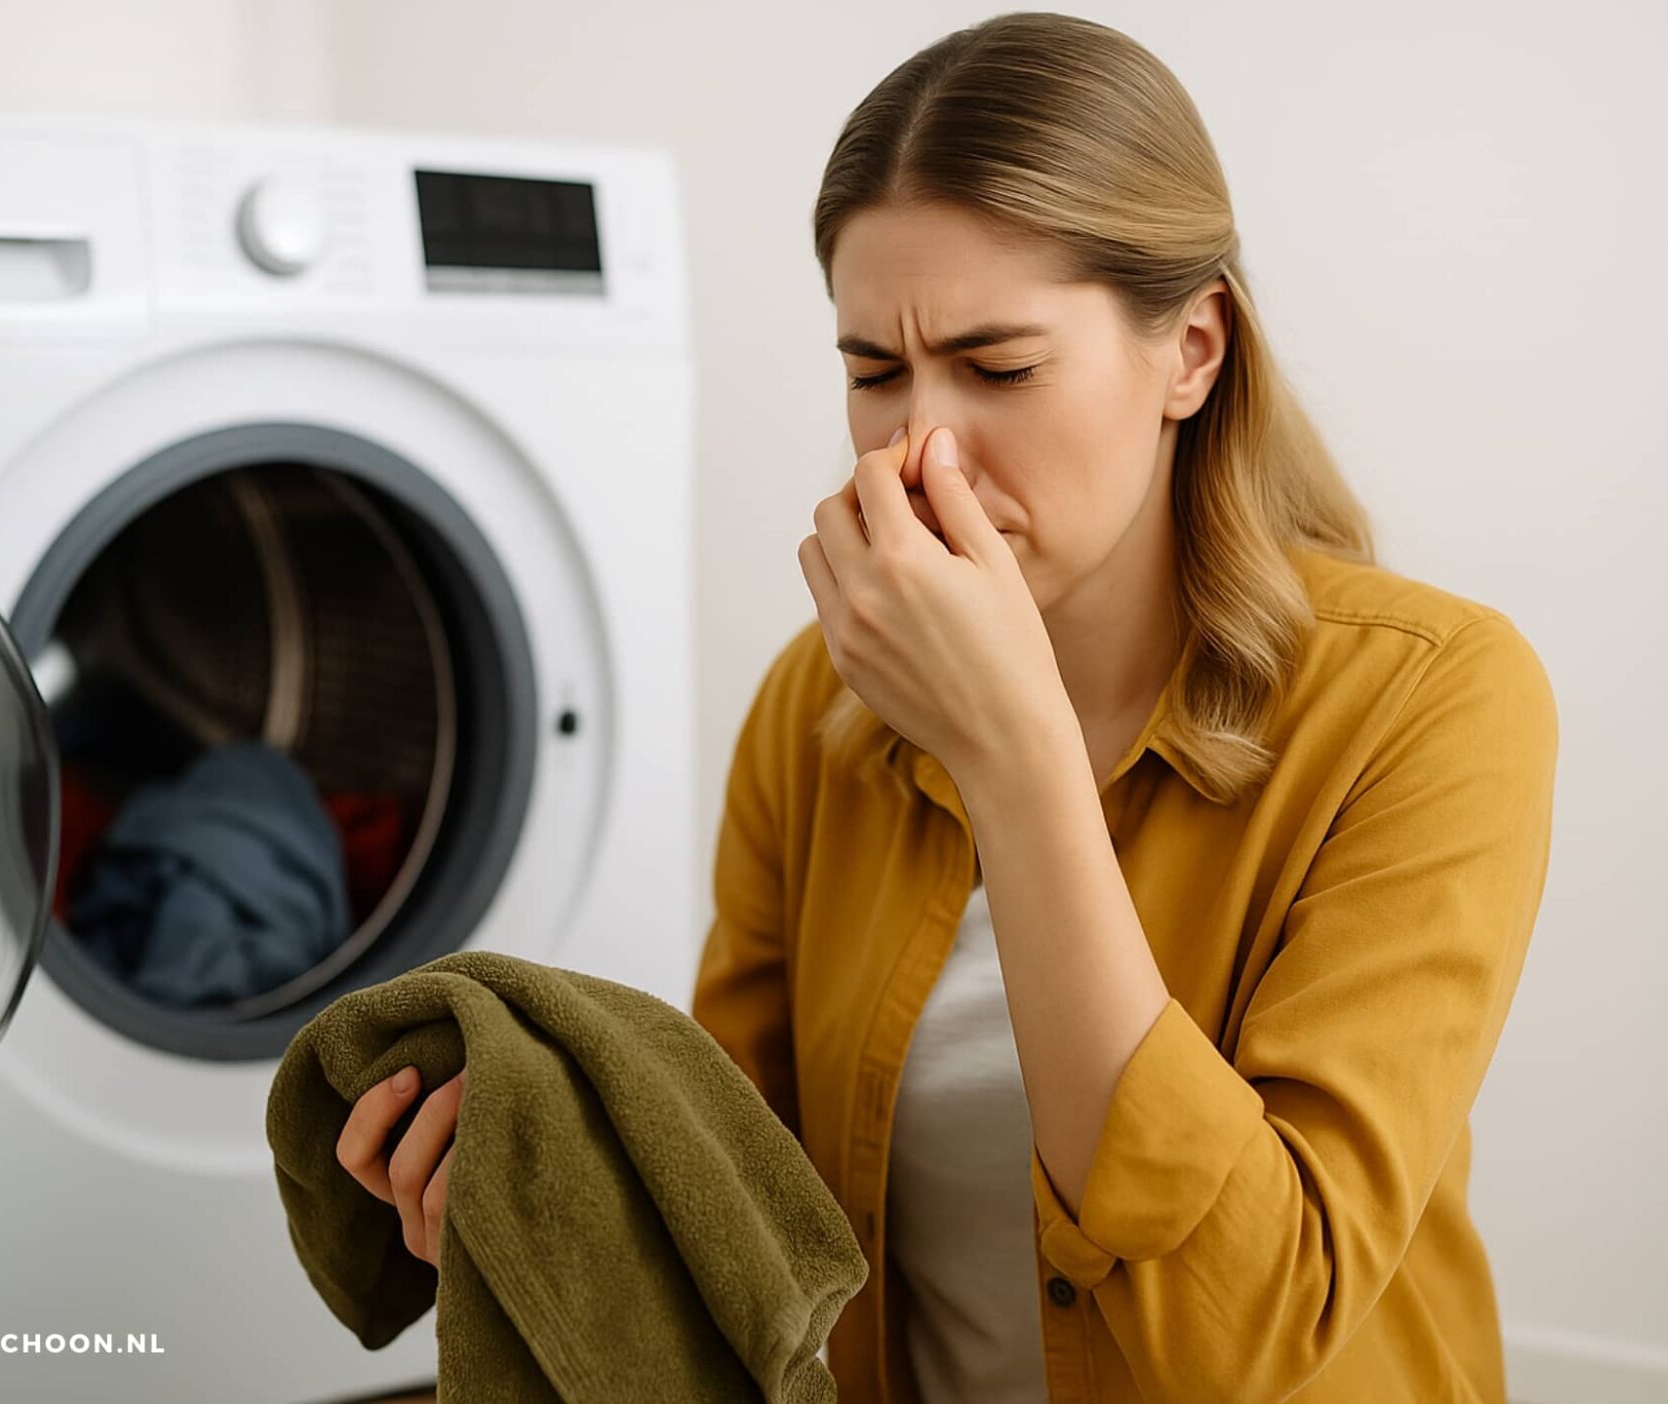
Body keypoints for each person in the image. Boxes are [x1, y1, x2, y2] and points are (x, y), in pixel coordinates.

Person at [337, 13, 1558, 1404]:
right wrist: (533, 1197)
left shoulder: (1431, 703)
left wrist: (1015, 751)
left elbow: (1248, 1329)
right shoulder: (820, 708)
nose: (920, 447)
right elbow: (738, 1222)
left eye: (1000, 369)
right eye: (872, 372)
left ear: (1194, 352)